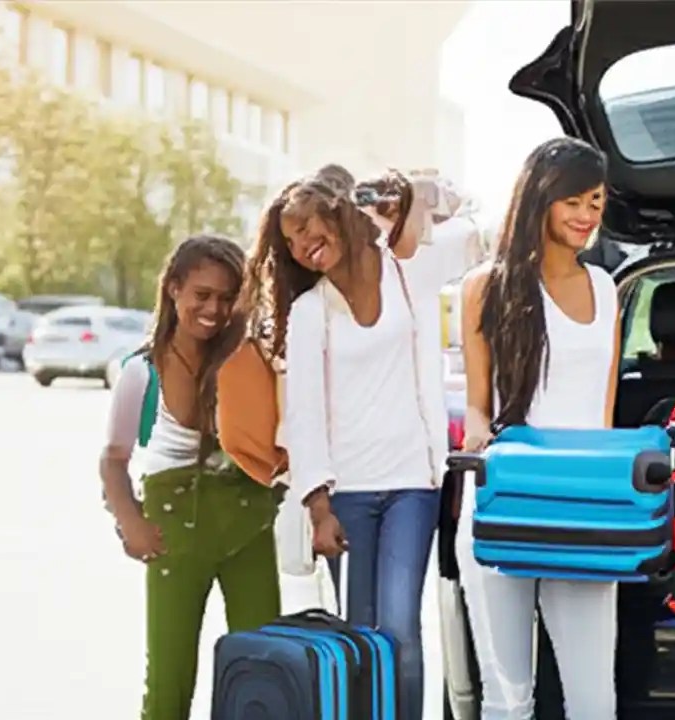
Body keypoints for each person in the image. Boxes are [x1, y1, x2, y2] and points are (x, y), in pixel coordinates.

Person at [246, 166, 477, 720]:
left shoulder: (408, 273)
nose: (303, 244)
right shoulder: (309, 311)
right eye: (292, 239)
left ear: (338, 213)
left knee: (399, 630)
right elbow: (301, 413)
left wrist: (414, 197)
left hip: (411, 487)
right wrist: (317, 507)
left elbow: (473, 230)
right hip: (345, 492)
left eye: (307, 226)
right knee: (359, 633)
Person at [456, 136, 621, 719]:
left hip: (583, 505)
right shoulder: (486, 286)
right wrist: (477, 433)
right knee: (507, 698)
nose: (586, 215)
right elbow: (478, 403)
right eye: (573, 200)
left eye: (596, 202)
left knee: (594, 700)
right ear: (540, 199)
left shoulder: (606, 288)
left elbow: (604, 412)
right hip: (505, 498)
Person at [99, 235, 283, 720]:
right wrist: (130, 522)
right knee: (169, 677)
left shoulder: (247, 362)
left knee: (264, 669)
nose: (214, 309)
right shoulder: (142, 370)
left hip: (249, 523)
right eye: (202, 295)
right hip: (174, 528)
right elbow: (114, 458)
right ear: (174, 289)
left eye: (226, 298)